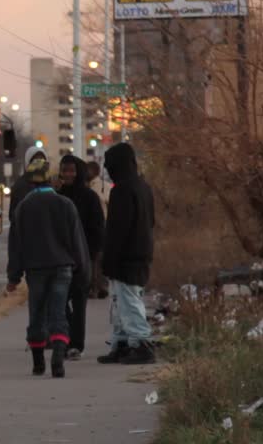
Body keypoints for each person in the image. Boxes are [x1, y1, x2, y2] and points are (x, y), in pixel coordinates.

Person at [7, 157, 90, 378]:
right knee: (58, 313)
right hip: (62, 267)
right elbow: (76, 240)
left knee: (37, 313)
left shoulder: (23, 207)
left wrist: (13, 276)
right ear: (50, 180)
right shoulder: (65, 204)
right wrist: (82, 269)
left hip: (36, 269)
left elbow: (16, 244)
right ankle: (57, 362)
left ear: (32, 182)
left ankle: (37, 363)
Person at [96, 143, 157, 366]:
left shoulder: (121, 191)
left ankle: (140, 343)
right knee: (121, 301)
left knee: (127, 301)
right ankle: (122, 343)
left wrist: (109, 259)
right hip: (141, 251)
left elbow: (116, 230)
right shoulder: (143, 186)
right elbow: (150, 221)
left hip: (125, 257)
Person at [57, 156, 104, 361]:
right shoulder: (57, 196)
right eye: (64, 170)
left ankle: (76, 344)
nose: (68, 175)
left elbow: (98, 228)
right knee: (60, 301)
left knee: (79, 302)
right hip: (60, 257)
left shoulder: (90, 197)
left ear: (79, 172)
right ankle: (65, 339)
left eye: (72, 170)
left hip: (83, 257)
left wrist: (93, 255)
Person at [86, 160, 110, 300]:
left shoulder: (104, 187)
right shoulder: (84, 187)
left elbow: (109, 203)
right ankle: (92, 286)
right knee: (91, 258)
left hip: (102, 225)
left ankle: (101, 287)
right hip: (89, 225)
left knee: (99, 258)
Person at [8, 146, 49, 223]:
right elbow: (14, 215)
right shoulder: (20, 185)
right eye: (36, 160)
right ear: (28, 163)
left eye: (42, 160)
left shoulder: (49, 184)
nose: (39, 163)